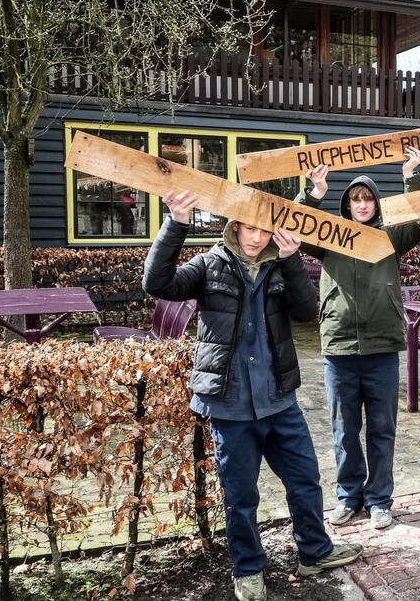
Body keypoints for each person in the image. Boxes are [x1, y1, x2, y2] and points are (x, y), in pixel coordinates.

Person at [143, 191, 362, 601]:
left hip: (279, 399)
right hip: (230, 404)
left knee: (304, 480)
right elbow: (156, 283)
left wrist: (294, 258)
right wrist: (176, 222)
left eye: (264, 229)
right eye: (249, 227)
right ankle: (247, 569)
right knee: (241, 496)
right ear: (234, 226)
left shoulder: (279, 267)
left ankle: (314, 551)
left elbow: (305, 312)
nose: (256, 237)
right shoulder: (209, 265)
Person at [294, 147, 420, 531]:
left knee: (382, 428)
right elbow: (299, 226)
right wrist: (313, 192)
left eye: (368, 198)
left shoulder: (390, 237)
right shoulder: (329, 237)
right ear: (347, 205)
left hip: (383, 346)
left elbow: (419, 219)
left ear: (375, 203)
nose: (363, 204)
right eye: (356, 199)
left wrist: (412, 174)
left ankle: (380, 500)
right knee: (343, 428)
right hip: (338, 346)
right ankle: (348, 498)